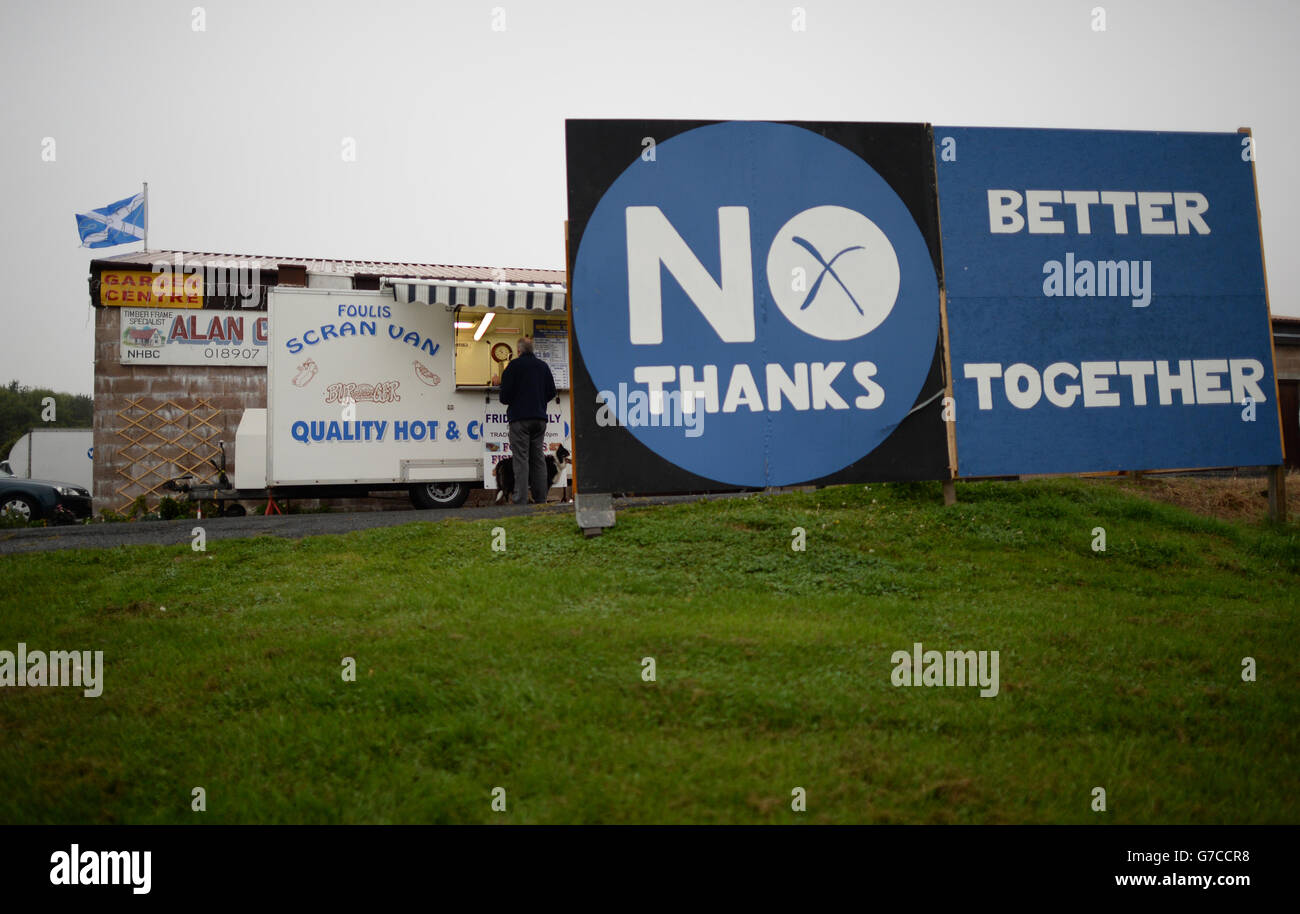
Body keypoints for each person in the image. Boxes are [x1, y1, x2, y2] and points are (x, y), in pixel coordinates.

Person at [497, 335, 557, 505]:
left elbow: (504, 397)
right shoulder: (543, 366)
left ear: (518, 351)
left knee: (521, 459)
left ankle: (521, 499)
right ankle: (540, 498)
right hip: (539, 419)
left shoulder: (513, 366)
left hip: (519, 419)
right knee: (538, 459)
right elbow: (552, 392)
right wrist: (538, 401)